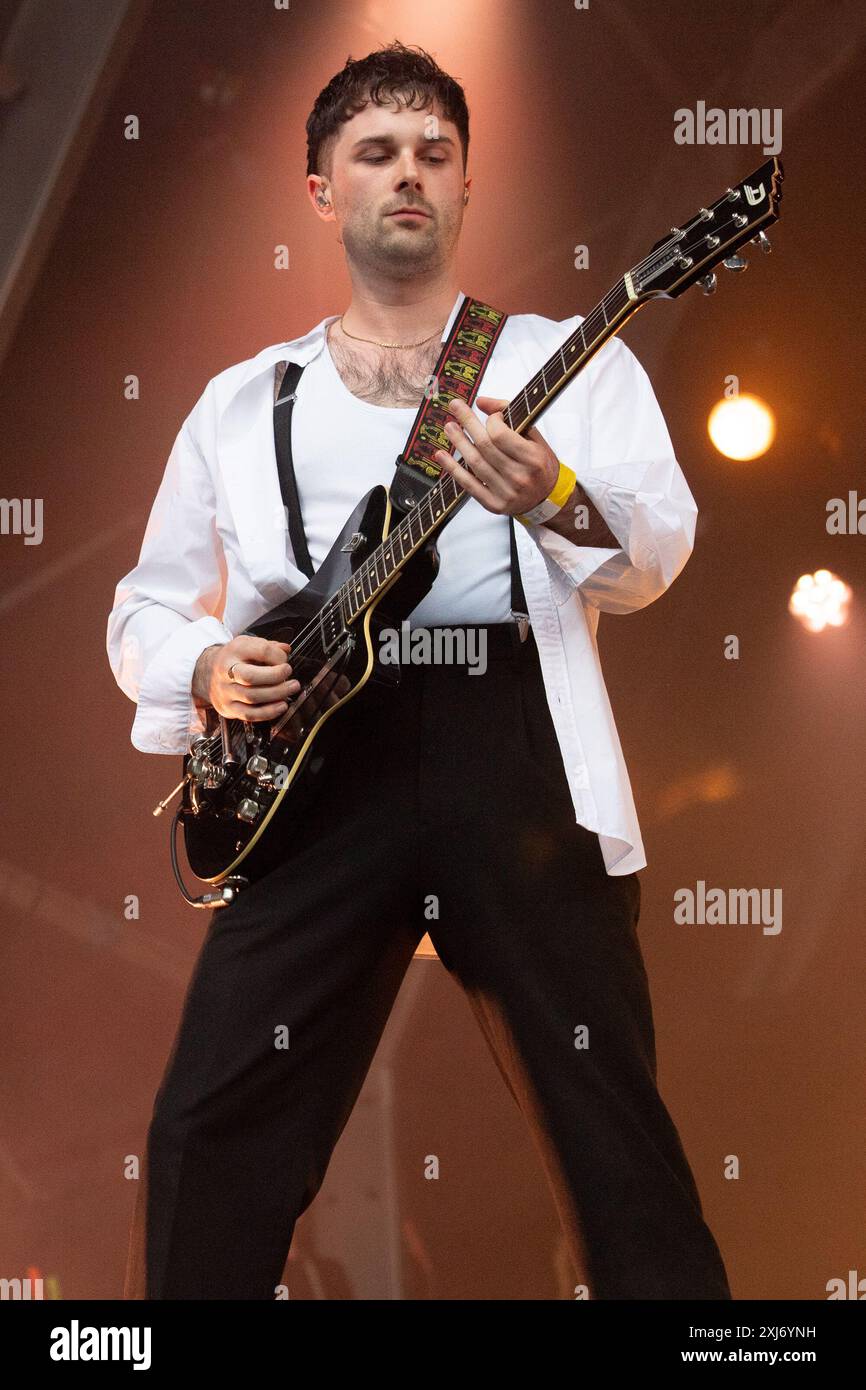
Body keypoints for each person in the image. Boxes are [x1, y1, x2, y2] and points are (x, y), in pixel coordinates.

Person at [107, 41, 732, 1300]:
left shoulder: (568, 357)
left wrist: (554, 495)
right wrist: (212, 668)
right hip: (316, 773)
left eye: (435, 155)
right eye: (376, 153)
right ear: (319, 192)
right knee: (204, 1134)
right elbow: (145, 608)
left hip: (514, 759)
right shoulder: (241, 402)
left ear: (464, 190)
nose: (408, 175)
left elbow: (658, 547)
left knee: (611, 1136)